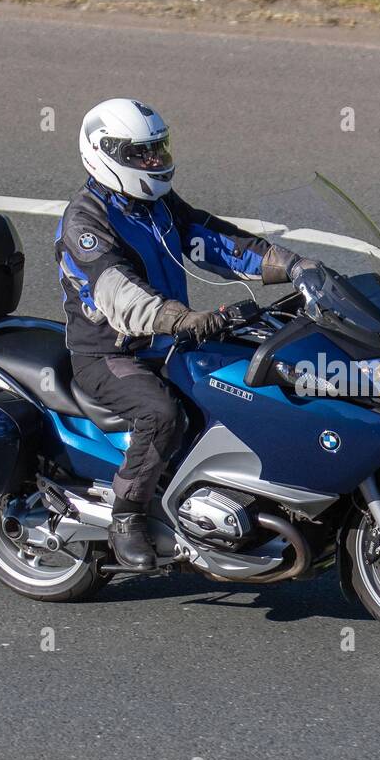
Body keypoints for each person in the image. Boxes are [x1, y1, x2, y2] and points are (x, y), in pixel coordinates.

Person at [56, 97, 309, 571]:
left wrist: (294, 267)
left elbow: (217, 242)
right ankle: (126, 514)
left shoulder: (157, 206)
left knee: (254, 381)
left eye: (158, 149)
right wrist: (183, 319)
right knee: (162, 413)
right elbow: (119, 294)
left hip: (171, 341)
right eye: (140, 154)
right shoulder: (85, 223)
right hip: (111, 354)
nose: (154, 162)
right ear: (103, 154)